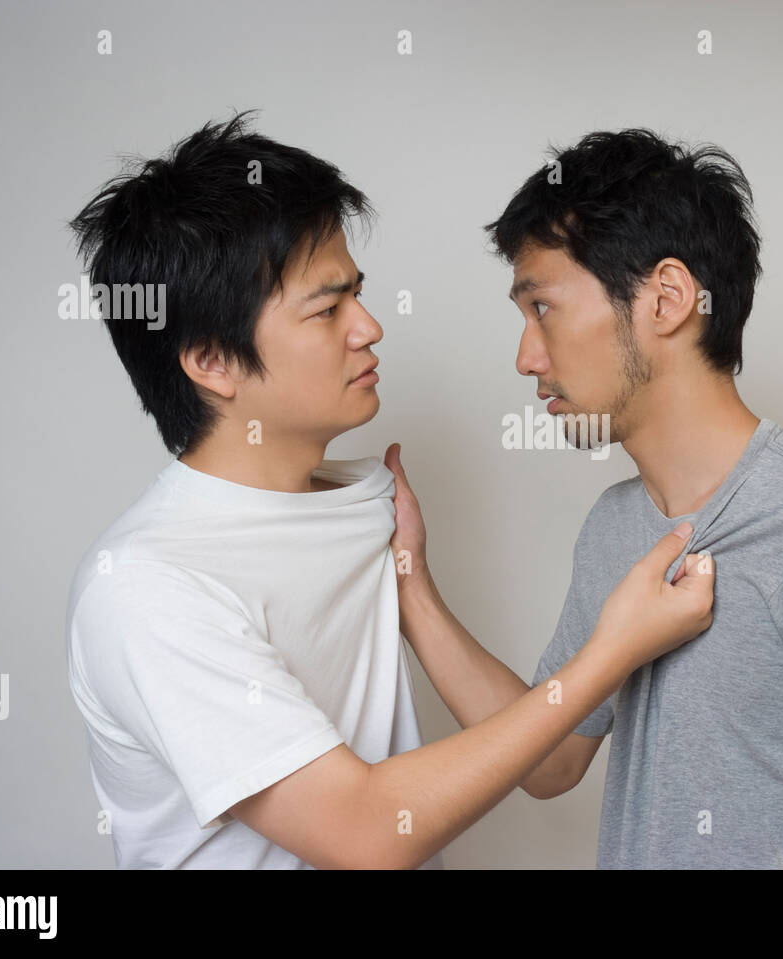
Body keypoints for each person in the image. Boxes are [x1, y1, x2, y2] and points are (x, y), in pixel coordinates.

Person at [62, 112, 715, 869]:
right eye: (327, 308)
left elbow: (550, 760)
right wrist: (614, 650)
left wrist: (412, 583)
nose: (369, 327)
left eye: (358, 296)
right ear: (211, 359)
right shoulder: (147, 586)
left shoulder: (369, 502)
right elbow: (366, 830)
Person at [387, 128, 783, 868]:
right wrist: (409, 580)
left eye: (542, 307)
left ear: (668, 298)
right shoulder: (616, 525)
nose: (526, 358)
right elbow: (551, 761)